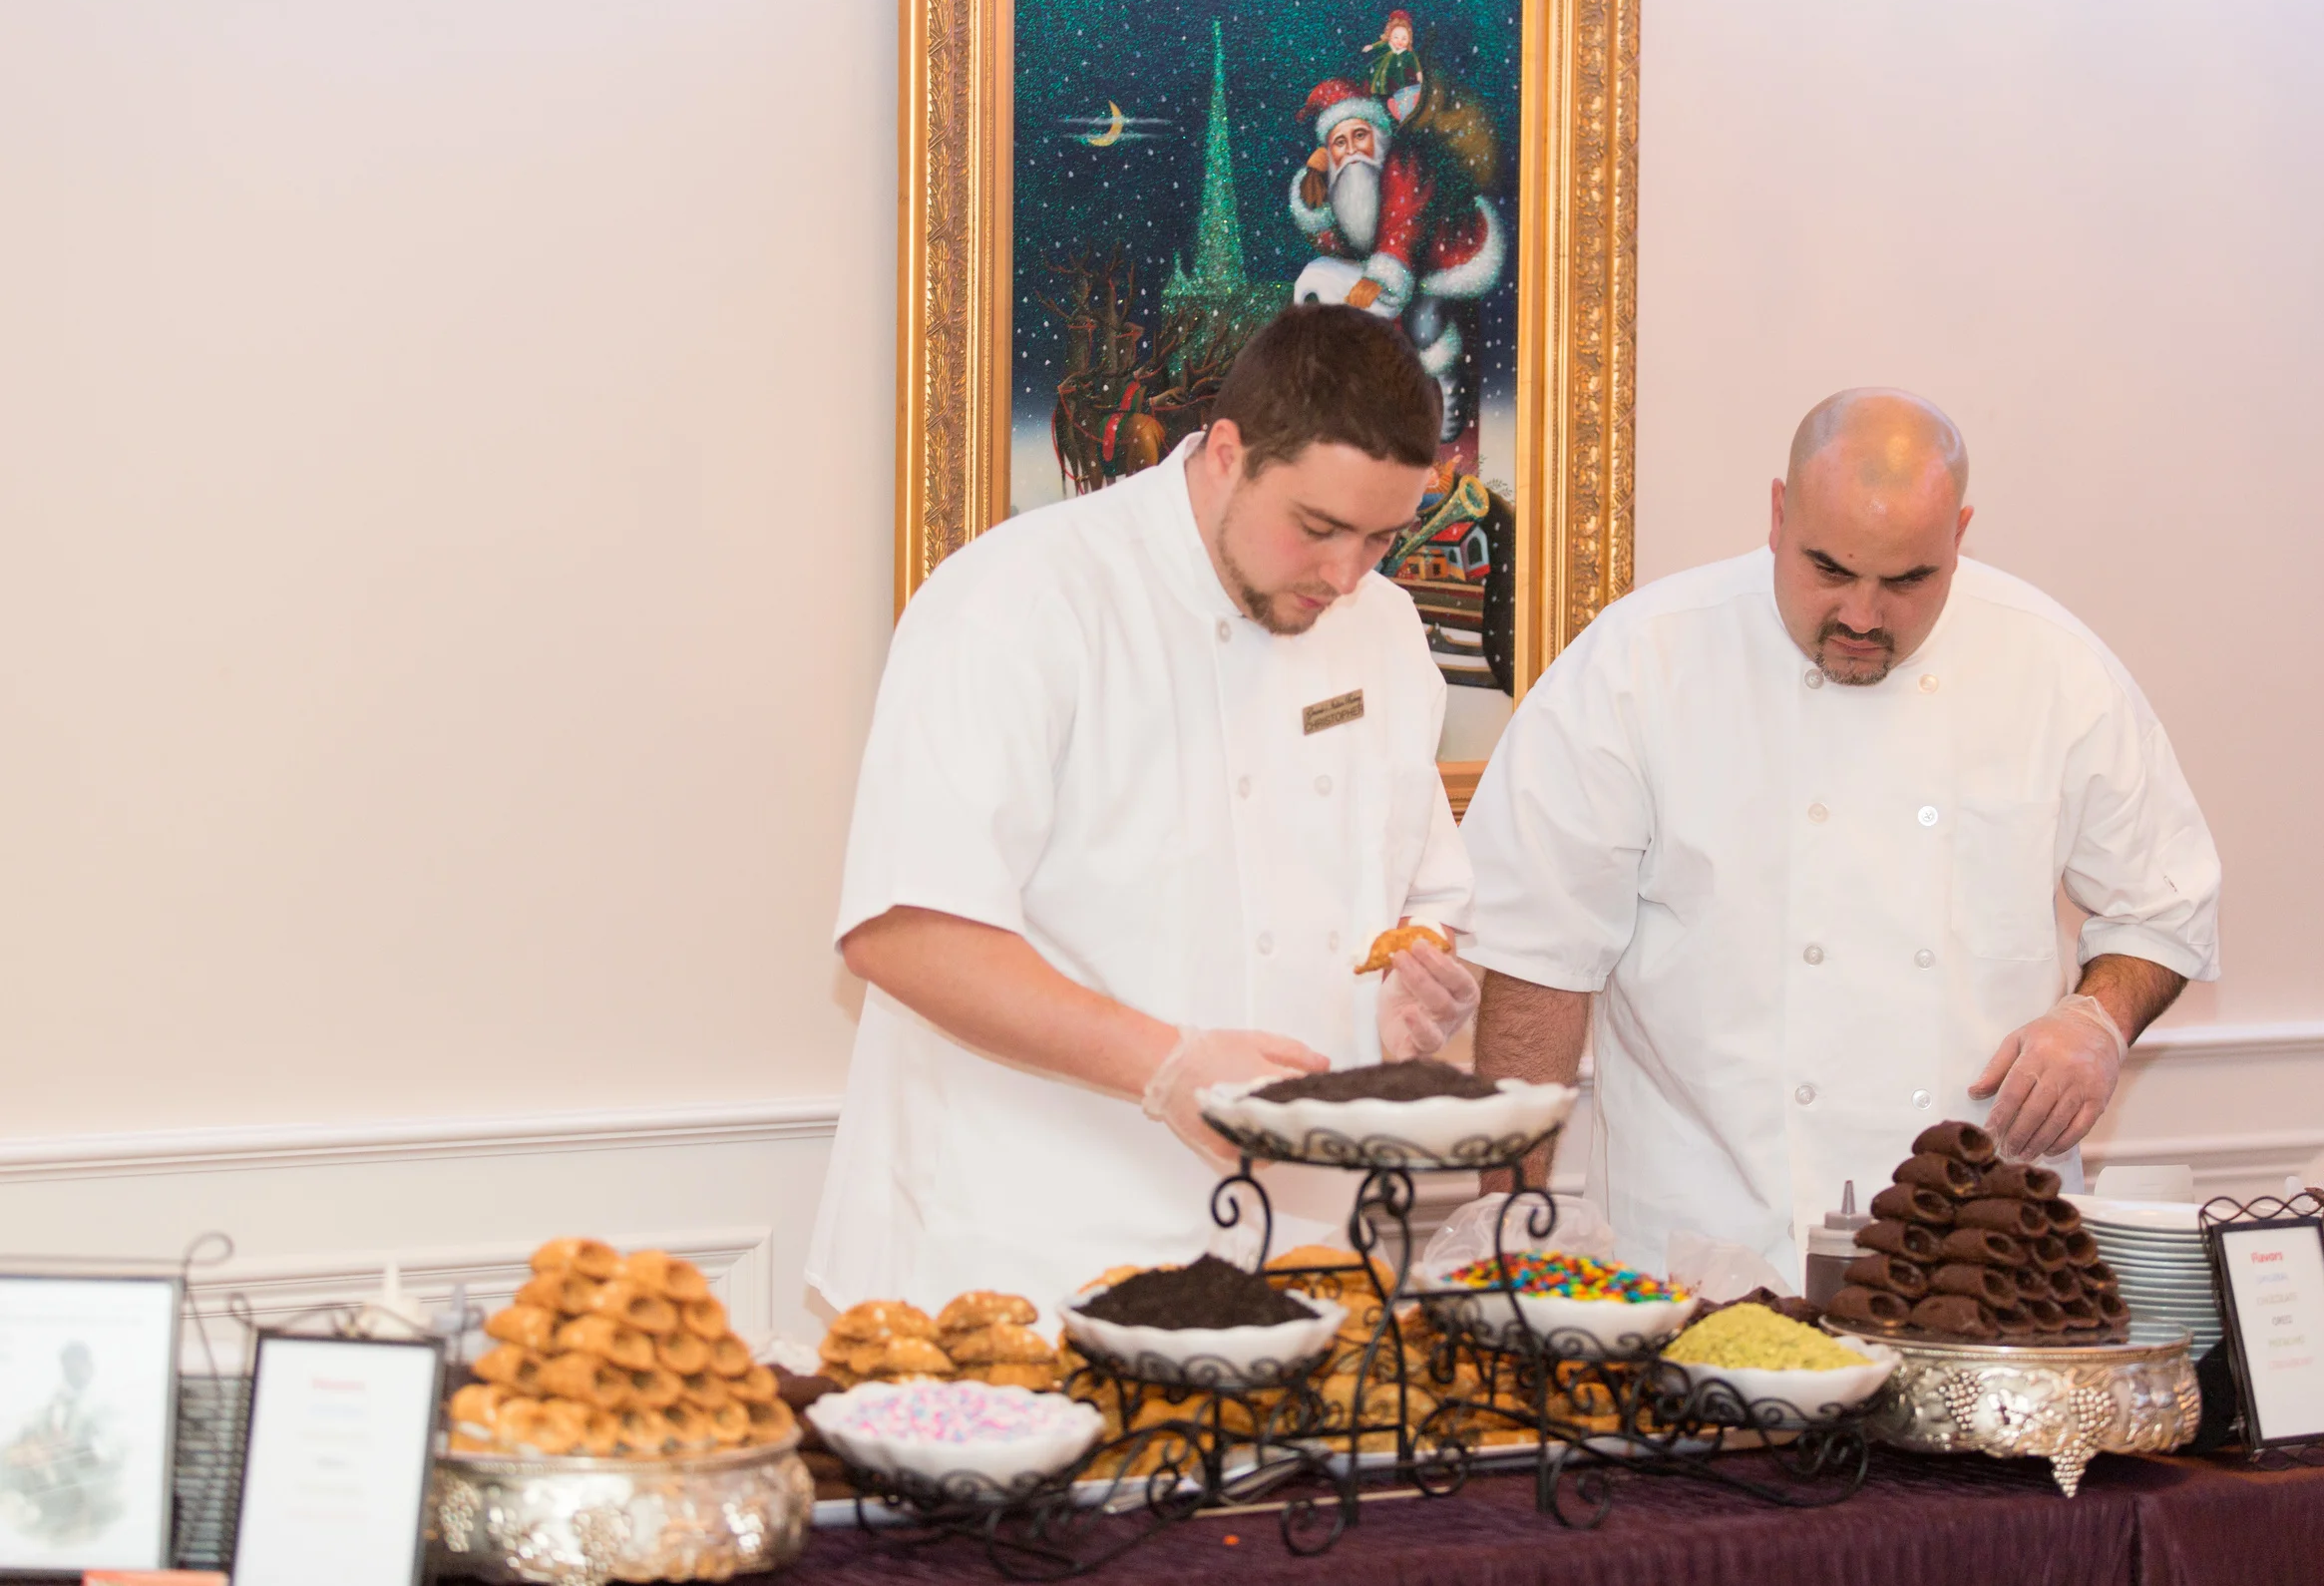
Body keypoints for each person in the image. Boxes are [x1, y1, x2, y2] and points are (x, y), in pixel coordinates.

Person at [1459, 389, 2221, 1280]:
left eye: (1907, 581)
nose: (1862, 614)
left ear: (1960, 536)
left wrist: (2099, 1019)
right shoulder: (1639, 662)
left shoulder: (2054, 666)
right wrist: (1506, 1240)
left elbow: (2165, 905)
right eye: (1828, 568)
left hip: (1979, 1250)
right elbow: (1537, 957)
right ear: (1778, 514)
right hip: (1699, 1249)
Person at [808, 305, 1479, 1315]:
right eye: (1317, 528)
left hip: (1297, 1256)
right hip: (1023, 1256)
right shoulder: (1021, 597)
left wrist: (1416, 989)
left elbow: (1420, 901)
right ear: (1226, 452)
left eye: (1381, 537)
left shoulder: (1383, 628)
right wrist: (1167, 1066)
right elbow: (906, 932)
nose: (1347, 574)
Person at [1288, 77, 1504, 442]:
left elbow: (1404, 224)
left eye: (1359, 136)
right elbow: (1345, 243)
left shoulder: (1403, 166)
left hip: (1446, 257)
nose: (1352, 150)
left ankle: (1450, 392)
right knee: (1328, 288)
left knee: (1424, 322)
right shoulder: (1344, 182)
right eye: (1340, 142)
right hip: (1398, 261)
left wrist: (1380, 279)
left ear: (1377, 135)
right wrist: (1316, 199)